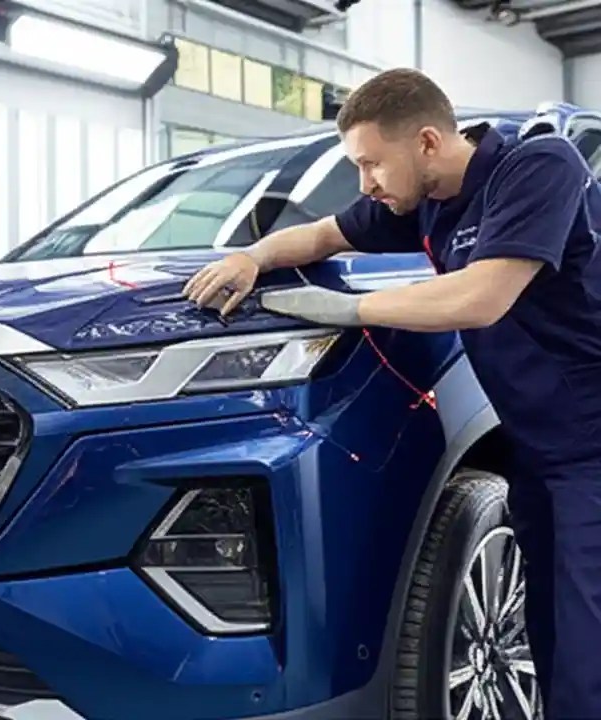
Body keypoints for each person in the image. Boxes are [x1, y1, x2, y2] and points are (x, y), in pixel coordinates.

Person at [183, 68, 601, 718]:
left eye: (371, 164)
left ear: (427, 142)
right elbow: (324, 234)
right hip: (537, 453)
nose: (366, 183)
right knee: (547, 631)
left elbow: (481, 296)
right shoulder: (428, 206)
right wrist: (252, 257)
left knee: (587, 652)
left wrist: (349, 310)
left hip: (592, 447)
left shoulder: (540, 164)